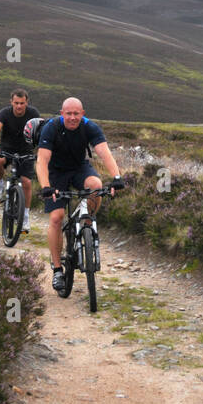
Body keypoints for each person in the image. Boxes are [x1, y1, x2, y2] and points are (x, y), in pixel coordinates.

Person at [35, 97, 124, 294]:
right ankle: (57, 269)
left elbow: (104, 152)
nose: (73, 117)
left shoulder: (90, 127)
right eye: (69, 113)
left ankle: (86, 223)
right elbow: (42, 160)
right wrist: (46, 186)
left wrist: (116, 177)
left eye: (76, 114)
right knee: (57, 218)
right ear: (62, 113)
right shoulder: (52, 128)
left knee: (96, 185)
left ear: (82, 114)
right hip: (55, 172)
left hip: (78, 167)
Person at [0, 89, 40, 233]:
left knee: (27, 182)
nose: (19, 106)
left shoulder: (33, 114)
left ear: (26, 103)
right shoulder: (4, 113)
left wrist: (43, 151)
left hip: (26, 151)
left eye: (22, 103)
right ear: (11, 102)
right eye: (16, 103)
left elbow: (41, 132)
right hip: (6, 148)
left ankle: (26, 218)